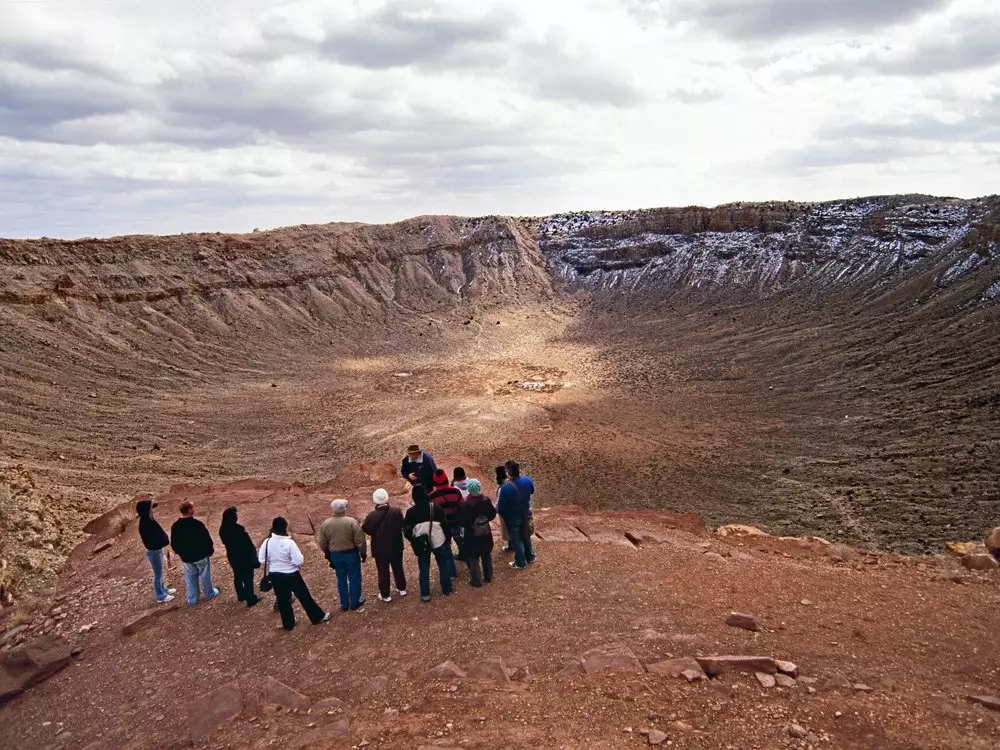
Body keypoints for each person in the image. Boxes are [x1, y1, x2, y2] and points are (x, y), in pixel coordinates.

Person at [259, 516, 331, 631]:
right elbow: (299, 560)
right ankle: (317, 617)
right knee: (304, 597)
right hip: (291, 574)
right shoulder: (289, 543)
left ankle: (288, 624)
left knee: (282, 600)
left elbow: (262, 559)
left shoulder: (267, 542)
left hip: (276, 575)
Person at [403, 485, 454, 602]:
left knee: (424, 567)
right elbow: (445, 525)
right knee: (443, 564)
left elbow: (406, 530)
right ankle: (447, 589)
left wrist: (414, 540)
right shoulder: (436, 508)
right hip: (438, 541)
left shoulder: (411, 512)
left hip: (422, 544)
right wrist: (448, 539)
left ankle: (425, 594)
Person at [317, 499, 367, 611]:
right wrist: (363, 553)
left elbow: (322, 542)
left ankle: (344, 604)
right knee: (354, 577)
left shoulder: (326, 523)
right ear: (345, 508)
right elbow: (360, 540)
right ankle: (355, 601)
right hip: (351, 553)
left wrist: (327, 553)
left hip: (335, 555)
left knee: (341, 578)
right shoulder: (352, 522)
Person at [362, 488, 407, 603]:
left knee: (382, 571)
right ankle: (402, 588)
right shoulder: (396, 511)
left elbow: (367, 529)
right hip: (396, 545)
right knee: (398, 567)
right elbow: (402, 524)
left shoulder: (371, 516)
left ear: (375, 500)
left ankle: (385, 594)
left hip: (380, 548)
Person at [170, 501, 219, 605]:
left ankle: (192, 599)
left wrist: (180, 553)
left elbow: (174, 543)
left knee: (190, 577)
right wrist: (210, 551)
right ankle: (209, 593)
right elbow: (206, 539)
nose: (194, 509)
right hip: (201, 556)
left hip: (187, 558)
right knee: (205, 575)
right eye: (192, 507)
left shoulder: (176, 526)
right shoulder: (198, 524)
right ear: (189, 510)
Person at [497, 460, 536, 569]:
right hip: (526, 513)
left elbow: (500, 508)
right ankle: (531, 556)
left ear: (507, 472)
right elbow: (531, 491)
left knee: (517, 540)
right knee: (526, 535)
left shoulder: (505, 488)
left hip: (513, 517)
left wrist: (506, 517)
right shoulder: (527, 480)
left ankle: (520, 562)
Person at [218, 507, 261, 607]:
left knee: (237, 576)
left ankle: (241, 595)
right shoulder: (239, 530)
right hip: (244, 558)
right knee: (248, 578)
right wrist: (254, 559)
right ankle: (251, 599)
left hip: (233, 557)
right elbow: (249, 546)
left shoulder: (222, 530)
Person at [136, 495, 175, 603]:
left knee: (160, 572)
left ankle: (163, 589)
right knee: (157, 574)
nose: (152, 510)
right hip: (154, 551)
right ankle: (160, 595)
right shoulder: (146, 524)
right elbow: (151, 540)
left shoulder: (147, 520)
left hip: (156, 550)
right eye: (150, 508)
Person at [460, 479, 497, 587]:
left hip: (471, 535)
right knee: (486, 555)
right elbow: (493, 514)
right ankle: (488, 576)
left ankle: (476, 581)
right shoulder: (486, 500)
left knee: (473, 558)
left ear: (469, 489)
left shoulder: (466, 504)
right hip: (485, 532)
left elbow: (462, 522)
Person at [429, 469, 464, 575]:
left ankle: (451, 570)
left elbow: (432, 512)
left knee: (446, 543)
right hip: (456, 519)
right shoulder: (455, 491)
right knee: (459, 538)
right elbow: (462, 505)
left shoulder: (432, 496)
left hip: (442, 524)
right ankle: (464, 555)